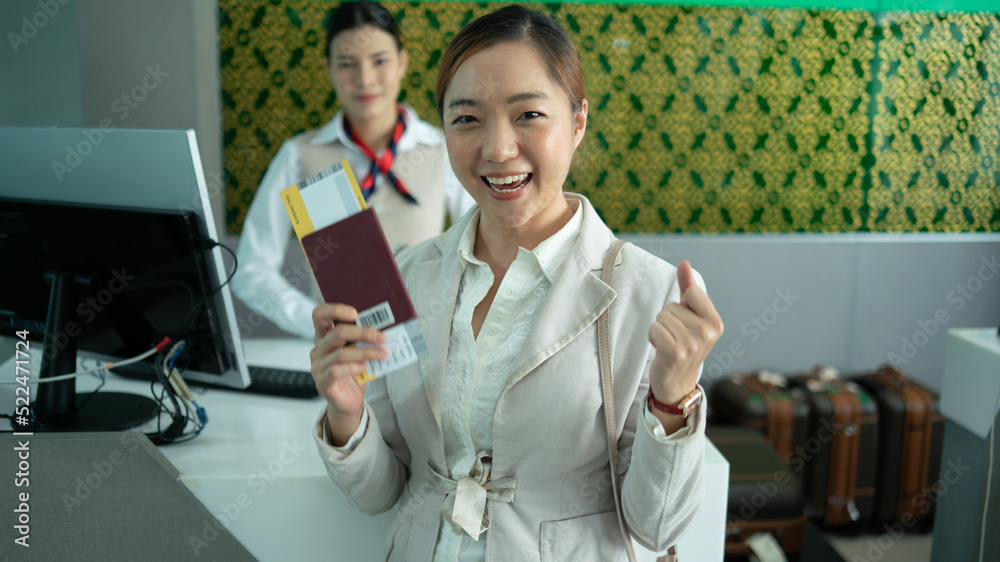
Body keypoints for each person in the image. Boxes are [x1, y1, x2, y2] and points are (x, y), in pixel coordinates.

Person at [310, 5, 724, 560]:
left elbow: (658, 526)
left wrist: (673, 403)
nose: (498, 149)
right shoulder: (405, 276)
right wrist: (345, 412)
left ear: (577, 121)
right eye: (466, 119)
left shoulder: (649, 294)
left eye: (528, 114)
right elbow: (382, 492)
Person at [231, 0, 476, 340]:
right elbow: (251, 268)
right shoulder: (300, 155)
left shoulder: (442, 148)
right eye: (347, 64)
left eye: (380, 61)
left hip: (429, 349)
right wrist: (313, 322)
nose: (364, 79)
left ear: (403, 62)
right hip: (339, 353)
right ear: (329, 68)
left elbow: (485, 247)